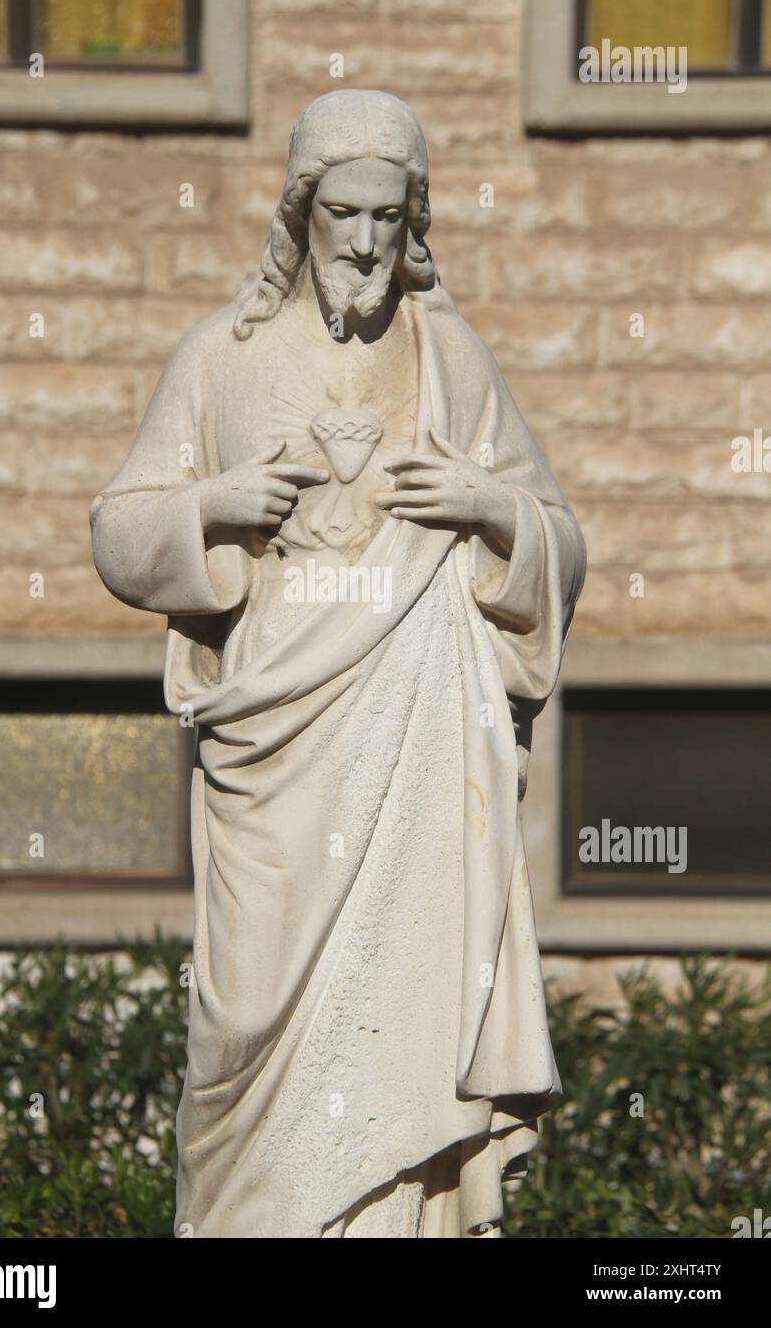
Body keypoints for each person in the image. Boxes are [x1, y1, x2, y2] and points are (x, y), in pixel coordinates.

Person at [90, 90, 585, 1238]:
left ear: (414, 221)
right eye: (340, 213)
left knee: (404, 1023)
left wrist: (489, 505)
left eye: (386, 215)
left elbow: (560, 538)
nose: (362, 242)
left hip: (414, 750)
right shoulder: (222, 357)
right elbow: (120, 530)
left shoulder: (451, 359)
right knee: (241, 1026)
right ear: (300, 213)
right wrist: (212, 504)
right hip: (276, 756)